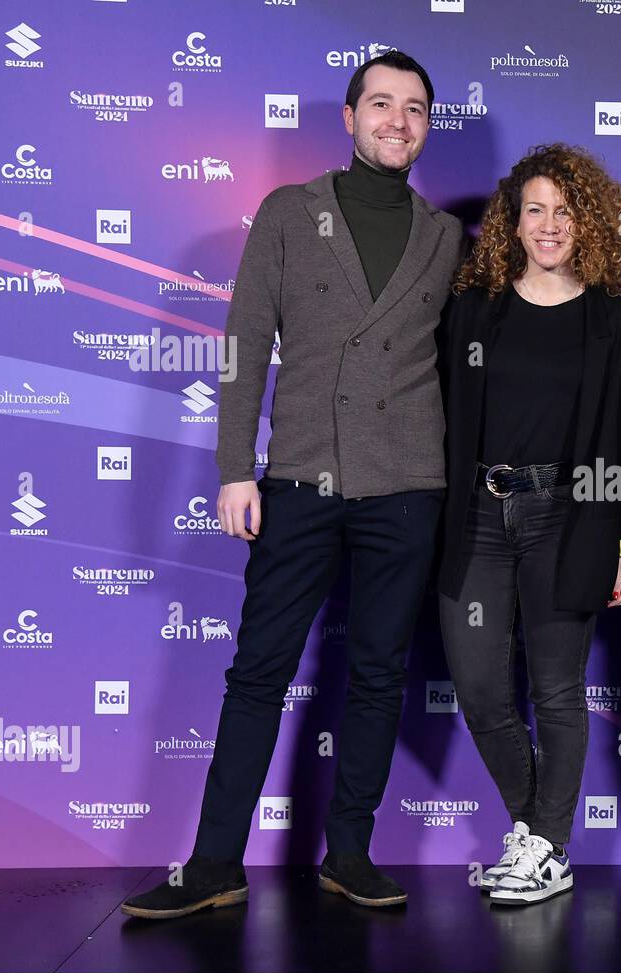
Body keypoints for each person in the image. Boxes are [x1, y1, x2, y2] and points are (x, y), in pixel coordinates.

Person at [122, 51, 464, 919]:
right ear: (348, 118)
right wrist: (235, 468)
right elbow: (240, 348)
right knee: (258, 672)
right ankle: (213, 864)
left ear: (429, 125)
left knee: (381, 673)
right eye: (381, 103)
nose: (398, 119)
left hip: (408, 482)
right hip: (300, 477)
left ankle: (349, 850)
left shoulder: (445, 235)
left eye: (415, 108)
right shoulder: (287, 212)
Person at [437, 144, 621, 906]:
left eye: (564, 210)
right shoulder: (472, 309)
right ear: (512, 221)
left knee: (558, 693)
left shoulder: (616, 324)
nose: (549, 224)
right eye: (535, 209)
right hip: (477, 516)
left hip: (567, 514)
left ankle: (546, 848)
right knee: (482, 688)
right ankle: (539, 834)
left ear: (585, 221)